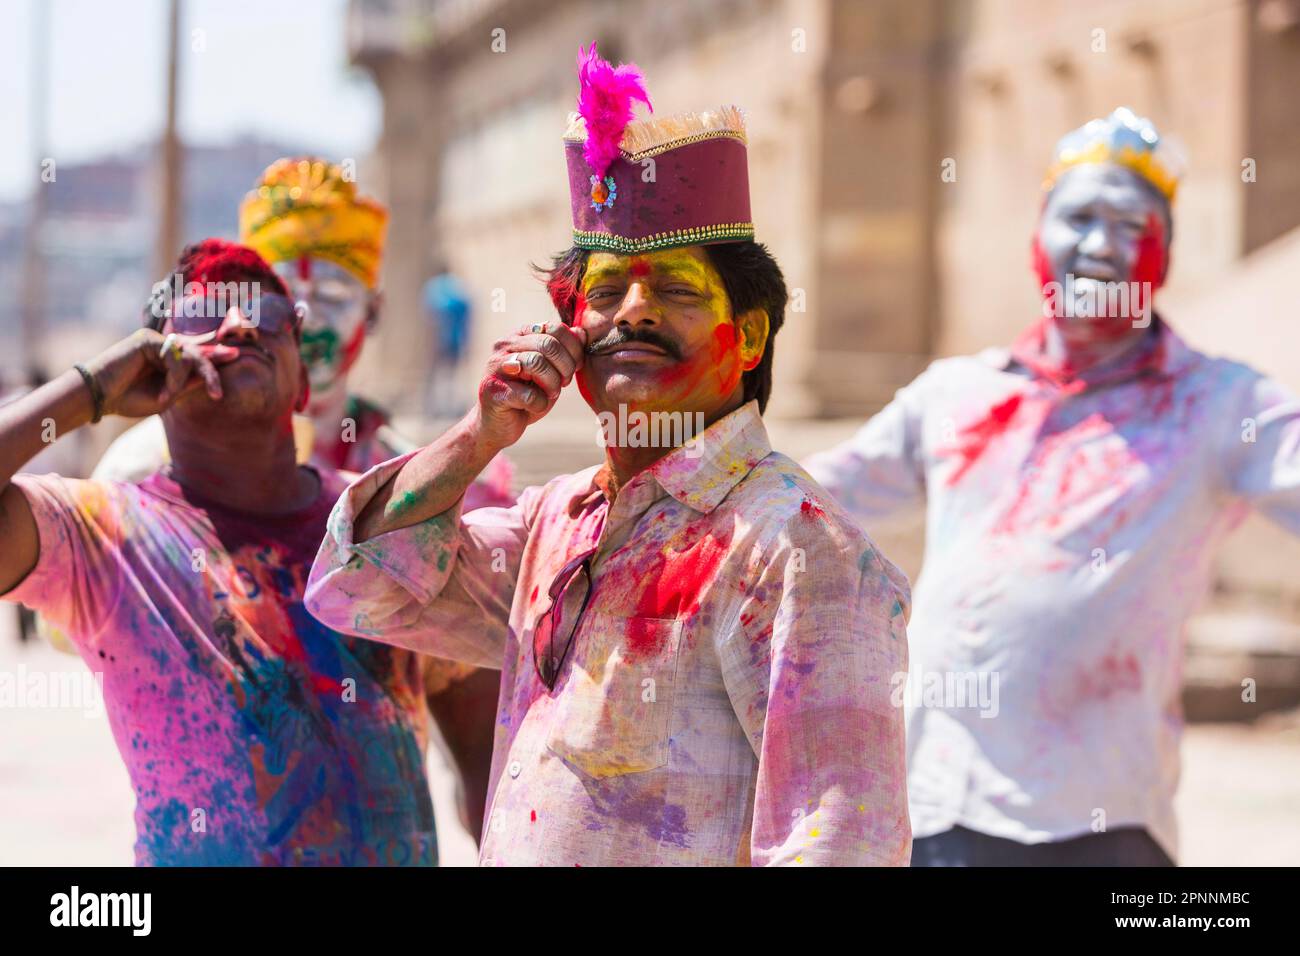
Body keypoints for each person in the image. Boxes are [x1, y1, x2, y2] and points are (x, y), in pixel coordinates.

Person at [306, 45, 912, 866]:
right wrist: (478, 436)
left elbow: (841, 840)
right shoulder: (557, 524)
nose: (634, 313)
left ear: (754, 334)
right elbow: (356, 588)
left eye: (676, 290)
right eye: (604, 293)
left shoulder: (799, 548)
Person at [805, 108, 1300, 866]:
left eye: (1131, 224)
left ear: (1164, 251)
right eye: (1080, 218)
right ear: (1040, 235)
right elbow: (809, 499)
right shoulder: (957, 393)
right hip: (941, 805)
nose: (1101, 245)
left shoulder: (1221, 406)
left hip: (1108, 827)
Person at [91, 158, 509, 842]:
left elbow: (476, 737)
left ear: (374, 312)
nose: (309, 321)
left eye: (337, 297)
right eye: (288, 298)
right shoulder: (146, 470)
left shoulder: (428, 483)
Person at [0, 239, 436, 865]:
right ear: (153, 368)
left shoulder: (378, 523)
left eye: (265, 315)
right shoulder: (105, 531)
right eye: (205, 315)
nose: (238, 325)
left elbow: (477, 734)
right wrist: (92, 389)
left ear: (300, 381)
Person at [423, 264, 473, 418]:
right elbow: (467, 313)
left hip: (439, 338)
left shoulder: (434, 287)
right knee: (452, 374)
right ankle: (451, 408)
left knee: (435, 374)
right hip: (456, 339)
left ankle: (434, 409)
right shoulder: (458, 288)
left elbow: (432, 315)